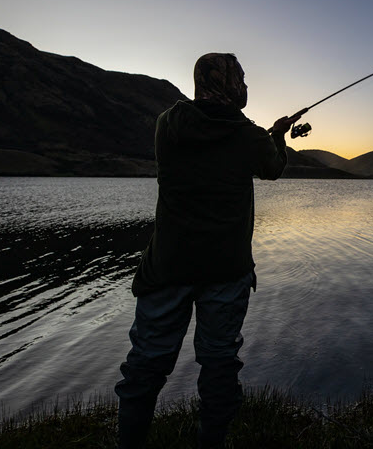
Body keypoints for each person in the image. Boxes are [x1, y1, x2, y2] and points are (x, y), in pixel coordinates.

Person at [115, 53, 303, 449]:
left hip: (167, 266)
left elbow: (218, 143)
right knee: (218, 366)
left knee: (145, 366)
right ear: (231, 82)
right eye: (241, 78)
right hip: (226, 270)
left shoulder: (168, 124)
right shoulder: (248, 134)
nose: (245, 85)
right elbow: (271, 167)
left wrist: (263, 135)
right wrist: (277, 136)